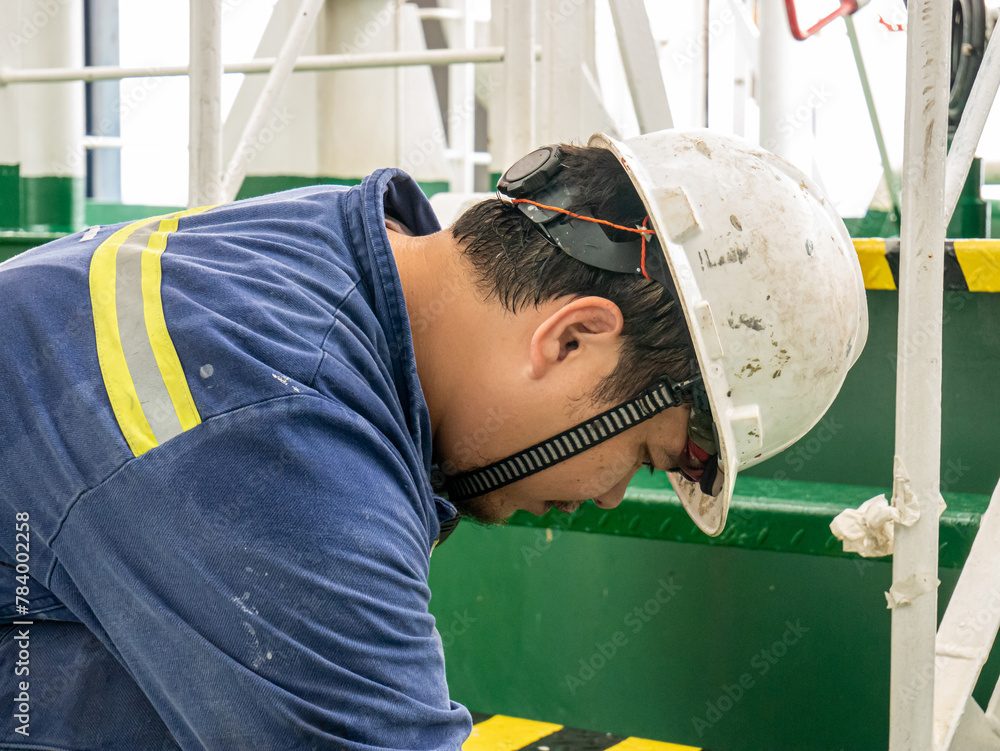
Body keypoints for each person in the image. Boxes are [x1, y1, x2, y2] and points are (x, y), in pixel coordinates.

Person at [0, 128, 867, 749]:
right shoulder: (279, 438)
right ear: (572, 338)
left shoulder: (319, 253)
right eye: (645, 454)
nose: (608, 496)